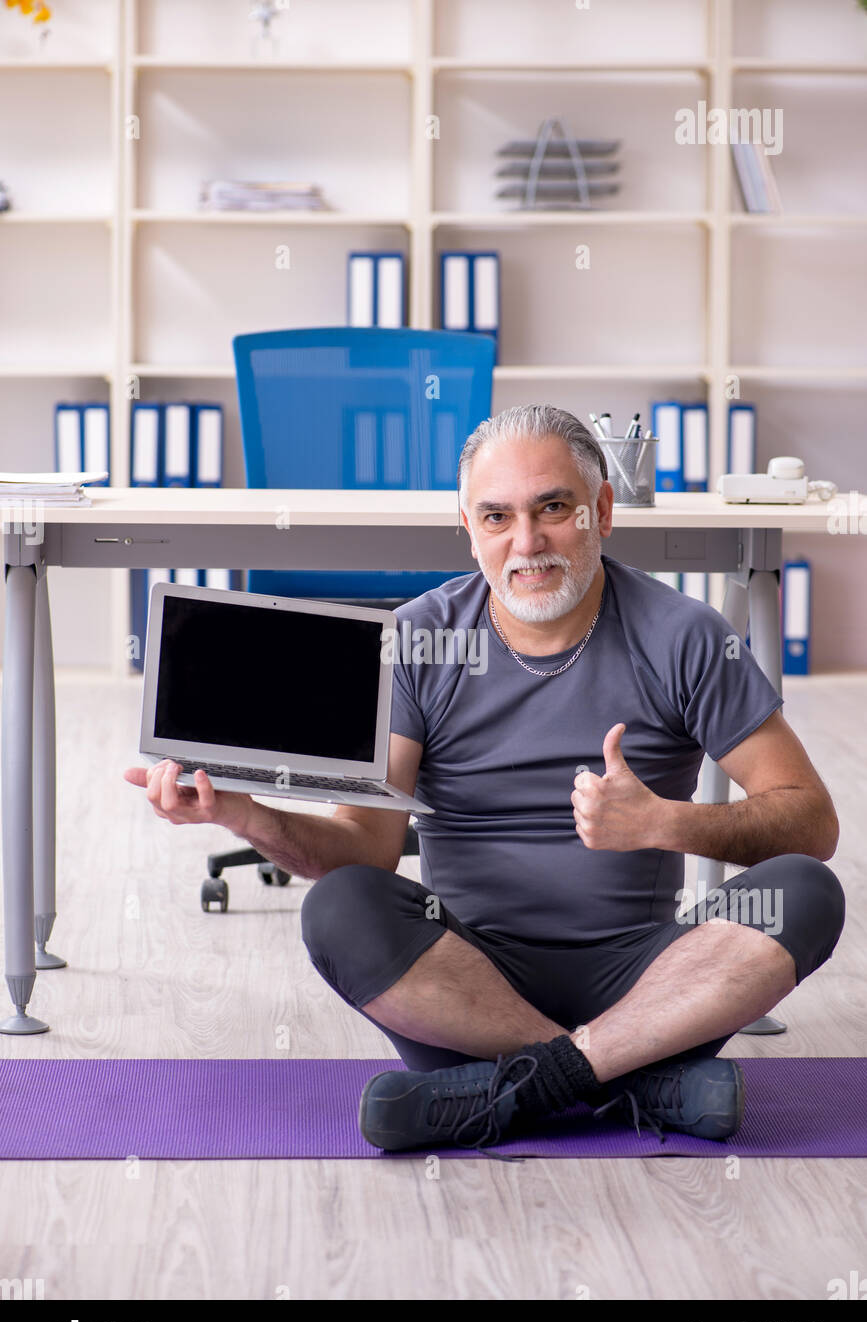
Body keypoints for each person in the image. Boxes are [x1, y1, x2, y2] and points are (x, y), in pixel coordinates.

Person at [124, 404, 845, 1155]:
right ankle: (628, 1080)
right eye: (497, 517)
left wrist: (665, 823)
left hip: (648, 979)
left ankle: (506, 1091)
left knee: (803, 891)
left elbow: (810, 822)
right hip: (466, 981)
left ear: (602, 510)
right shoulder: (417, 641)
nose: (526, 544)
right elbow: (363, 850)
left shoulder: (684, 635)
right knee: (340, 907)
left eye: (553, 508)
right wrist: (246, 815)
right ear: (468, 527)